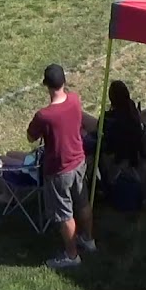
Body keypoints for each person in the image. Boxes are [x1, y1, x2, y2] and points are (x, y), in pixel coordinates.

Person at [27, 64, 96, 269]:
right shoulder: (75, 100)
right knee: (82, 203)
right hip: (79, 162)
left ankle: (71, 254)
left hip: (59, 169)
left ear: (47, 85)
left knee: (64, 213)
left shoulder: (44, 115)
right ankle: (88, 240)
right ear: (64, 82)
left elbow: (31, 137)